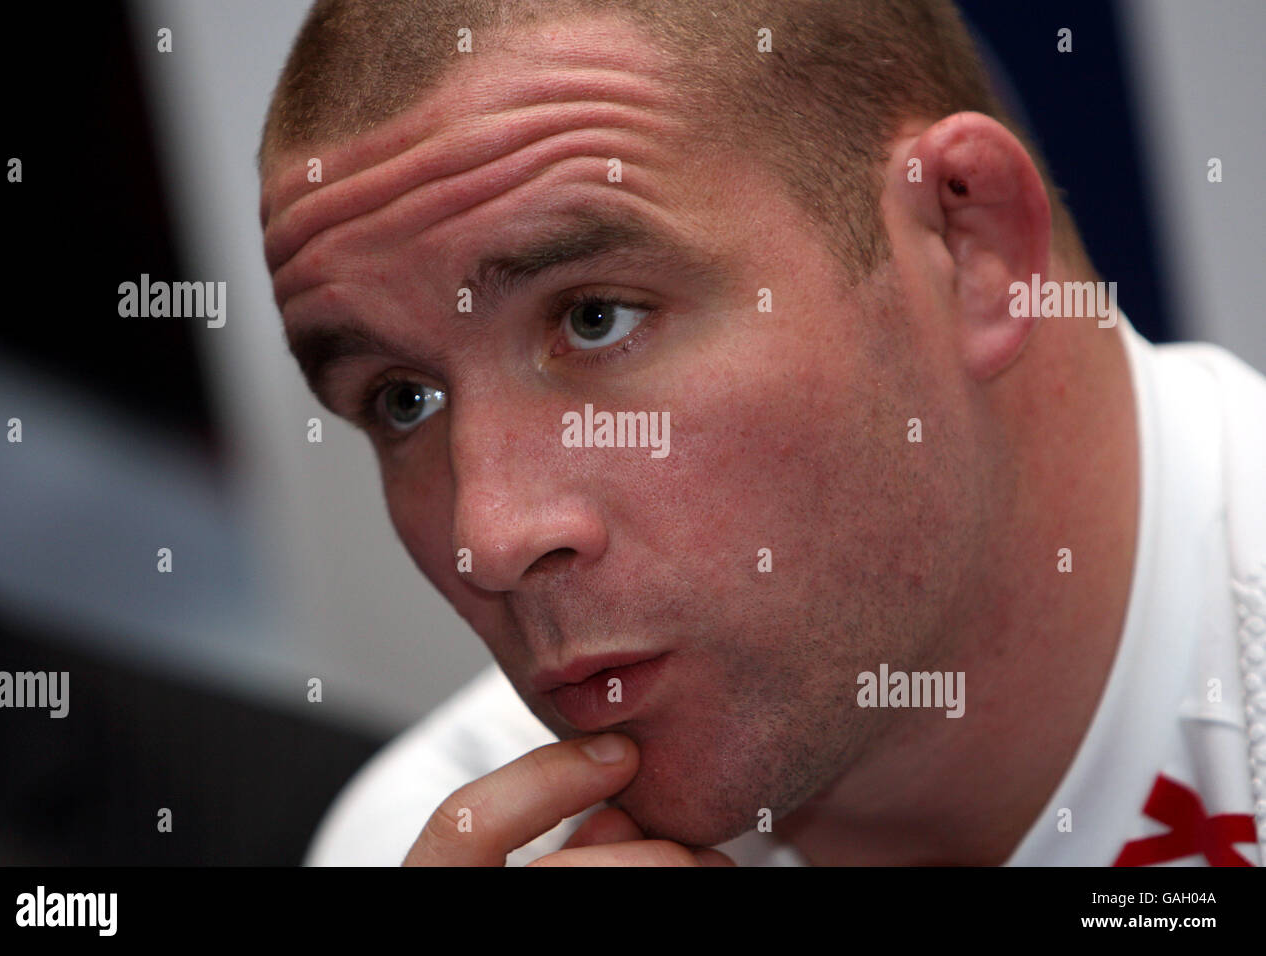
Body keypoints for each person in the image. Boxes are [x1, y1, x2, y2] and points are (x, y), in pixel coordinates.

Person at [257, 0, 1266, 865]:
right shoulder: (426, 836)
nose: (494, 532)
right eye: (402, 399)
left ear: (973, 242)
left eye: (595, 316)